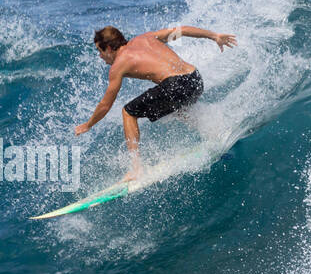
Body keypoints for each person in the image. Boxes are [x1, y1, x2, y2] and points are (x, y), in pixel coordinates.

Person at [74, 25, 236, 180]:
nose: (100, 56)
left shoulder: (118, 65)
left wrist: (88, 125)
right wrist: (215, 36)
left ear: (108, 48)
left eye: (100, 50)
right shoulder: (146, 37)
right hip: (194, 78)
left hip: (176, 85)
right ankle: (213, 134)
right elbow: (182, 30)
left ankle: (136, 169)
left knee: (128, 112)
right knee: (174, 107)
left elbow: (105, 105)